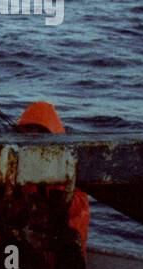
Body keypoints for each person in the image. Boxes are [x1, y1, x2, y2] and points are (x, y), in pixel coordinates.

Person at [15, 101, 90, 254]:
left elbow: (77, 207)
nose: (32, 135)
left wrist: (50, 202)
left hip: (64, 245)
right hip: (32, 242)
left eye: (38, 131)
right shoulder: (21, 162)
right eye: (28, 130)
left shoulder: (69, 161)